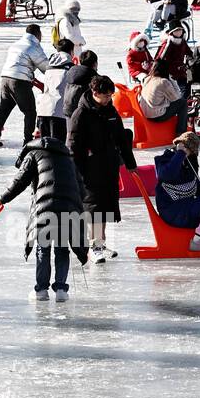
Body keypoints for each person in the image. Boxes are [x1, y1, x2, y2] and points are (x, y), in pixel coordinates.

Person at [0, 134, 89, 302]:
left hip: (45, 208)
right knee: (62, 249)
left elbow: (20, 180)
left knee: (43, 248)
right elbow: (81, 188)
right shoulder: (67, 157)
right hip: (68, 207)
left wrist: (2, 198)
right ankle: (61, 289)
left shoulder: (33, 153)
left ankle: (41, 290)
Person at [67, 75, 138, 264]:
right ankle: (94, 245)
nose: (109, 99)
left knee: (105, 206)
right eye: (105, 96)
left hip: (109, 165)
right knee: (94, 207)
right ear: (94, 93)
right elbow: (73, 145)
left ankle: (100, 242)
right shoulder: (81, 114)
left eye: (111, 95)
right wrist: (78, 171)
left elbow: (122, 139)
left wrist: (130, 163)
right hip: (89, 169)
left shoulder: (111, 111)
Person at [0, 24, 48, 148]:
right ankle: (28, 141)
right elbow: (45, 67)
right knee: (30, 112)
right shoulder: (33, 46)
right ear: (37, 34)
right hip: (19, 82)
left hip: (5, 79)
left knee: (3, 110)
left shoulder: (16, 44)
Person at [35, 39, 74, 142]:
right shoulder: (71, 69)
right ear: (71, 51)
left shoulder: (48, 67)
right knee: (57, 146)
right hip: (58, 112)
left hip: (42, 110)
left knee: (46, 146)